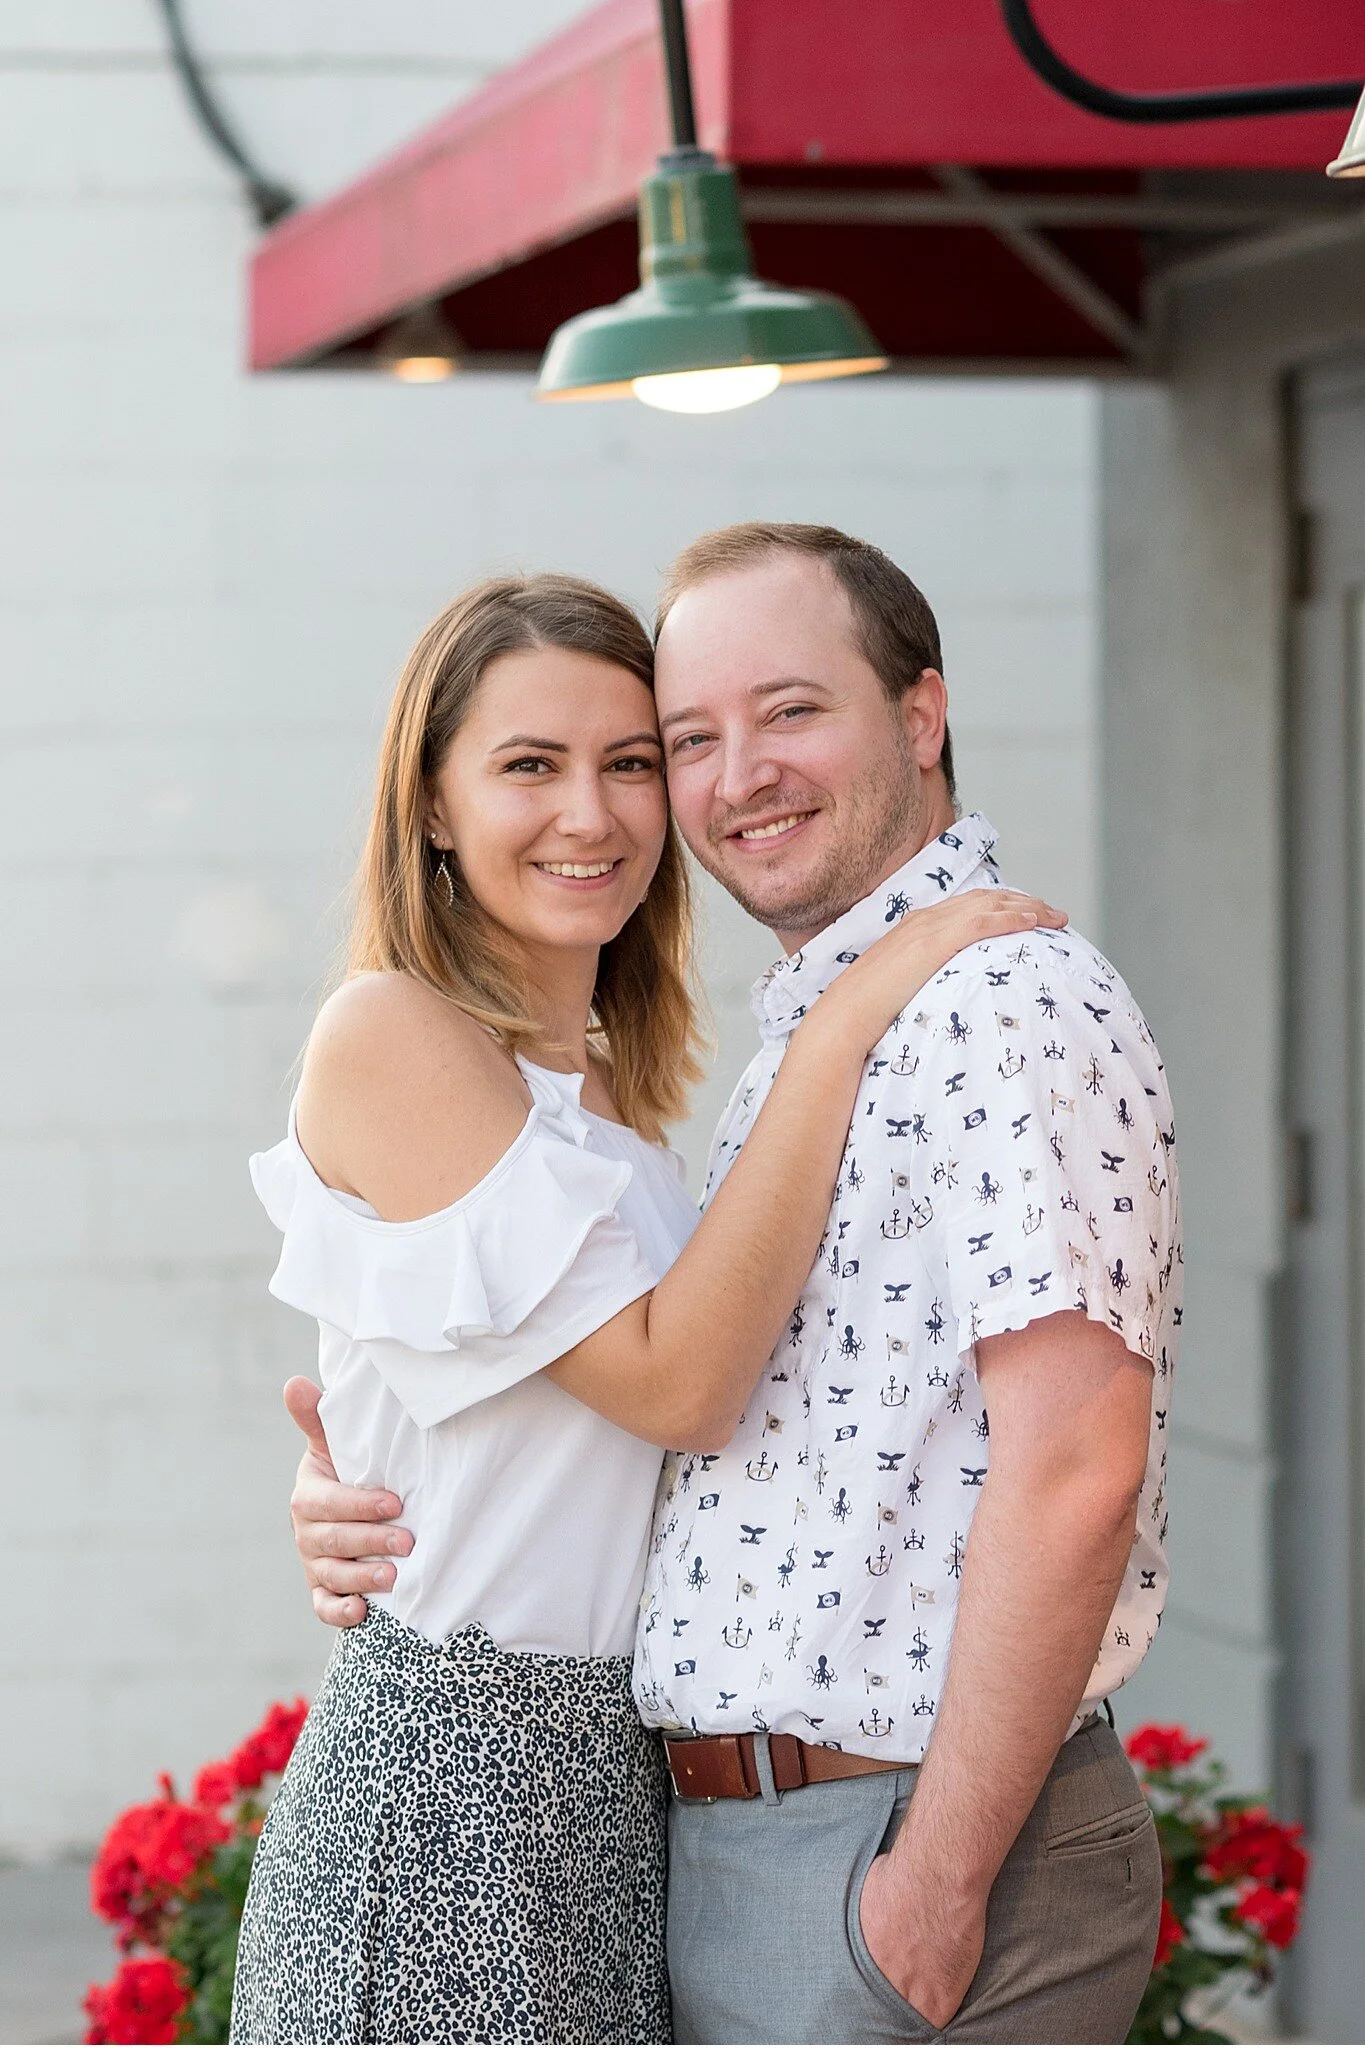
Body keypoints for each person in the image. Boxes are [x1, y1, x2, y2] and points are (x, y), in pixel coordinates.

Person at [288, 525, 1182, 2045]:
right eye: (529, 766)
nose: (604, 809)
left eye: (633, 758)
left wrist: (940, 1878)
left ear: (920, 716)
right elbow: (679, 1387)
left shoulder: (659, 1120)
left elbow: (1055, 1456)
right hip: (471, 1795)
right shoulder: (403, 1032)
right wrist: (849, 1011)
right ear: (428, 807)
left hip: (661, 1813)